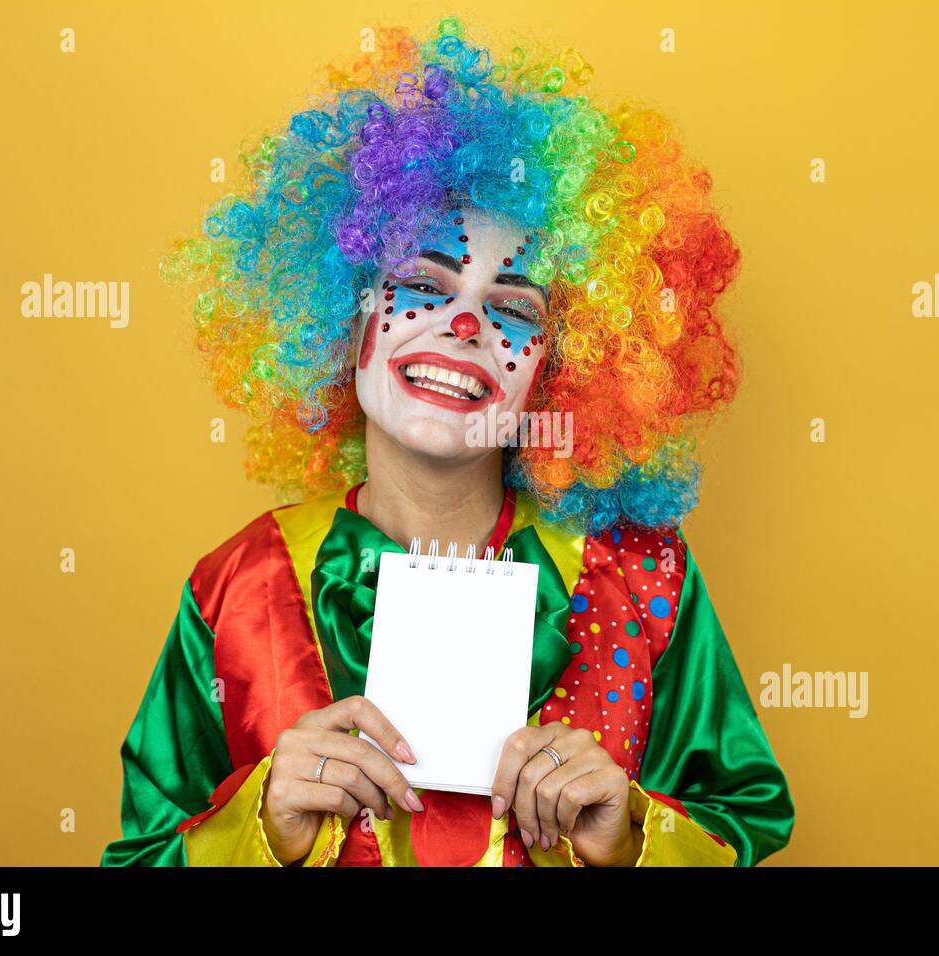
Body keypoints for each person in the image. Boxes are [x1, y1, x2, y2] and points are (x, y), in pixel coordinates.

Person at [101, 17, 794, 867]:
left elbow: (746, 825)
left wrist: (630, 832)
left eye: (515, 307)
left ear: (561, 366)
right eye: (422, 285)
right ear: (347, 315)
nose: (464, 321)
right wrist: (261, 827)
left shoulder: (645, 576)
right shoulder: (237, 586)